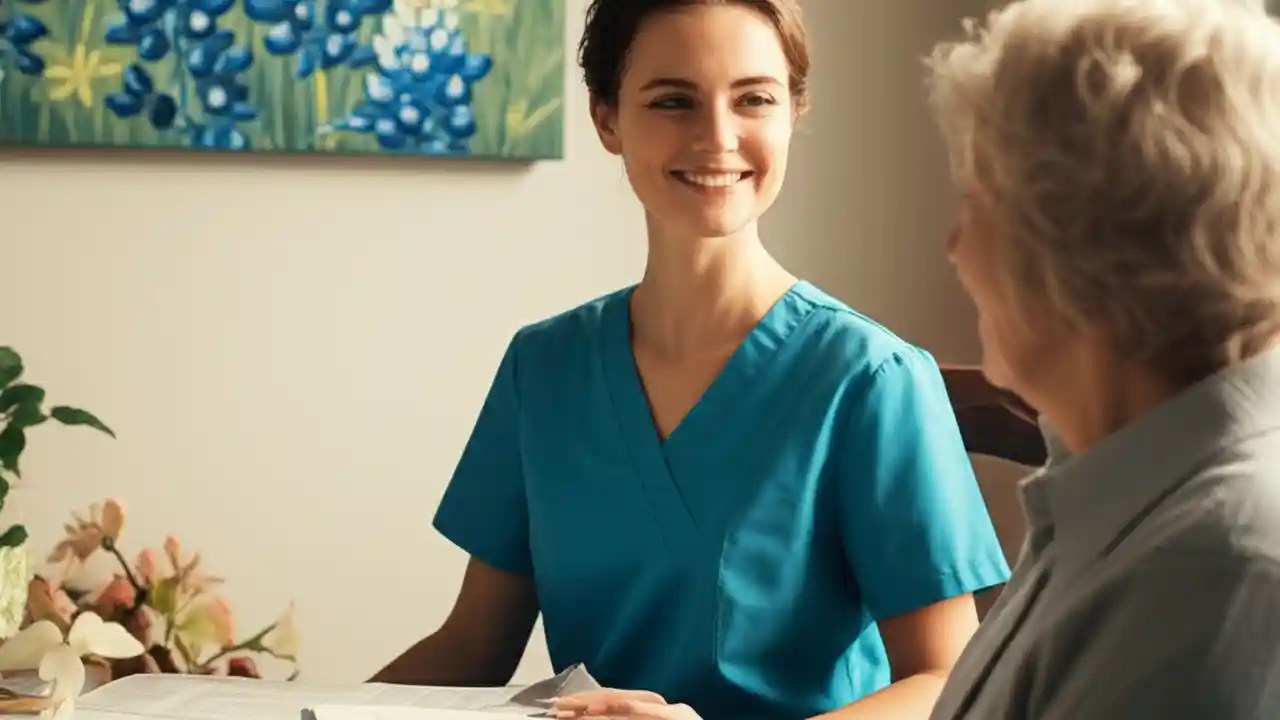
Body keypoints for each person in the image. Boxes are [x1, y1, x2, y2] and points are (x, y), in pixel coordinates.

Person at [373, 0, 1010, 718]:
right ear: (607, 119)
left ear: (794, 111)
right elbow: (472, 648)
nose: (717, 137)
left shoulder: (871, 380)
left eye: (754, 100)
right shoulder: (543, 369)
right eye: (673, 100)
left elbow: (947, 682)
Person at [921, 0, 1280, 717]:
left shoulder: (1216, 572)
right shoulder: (1104, 484)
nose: (953, 246)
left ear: (1073, 232)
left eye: (977, 200)